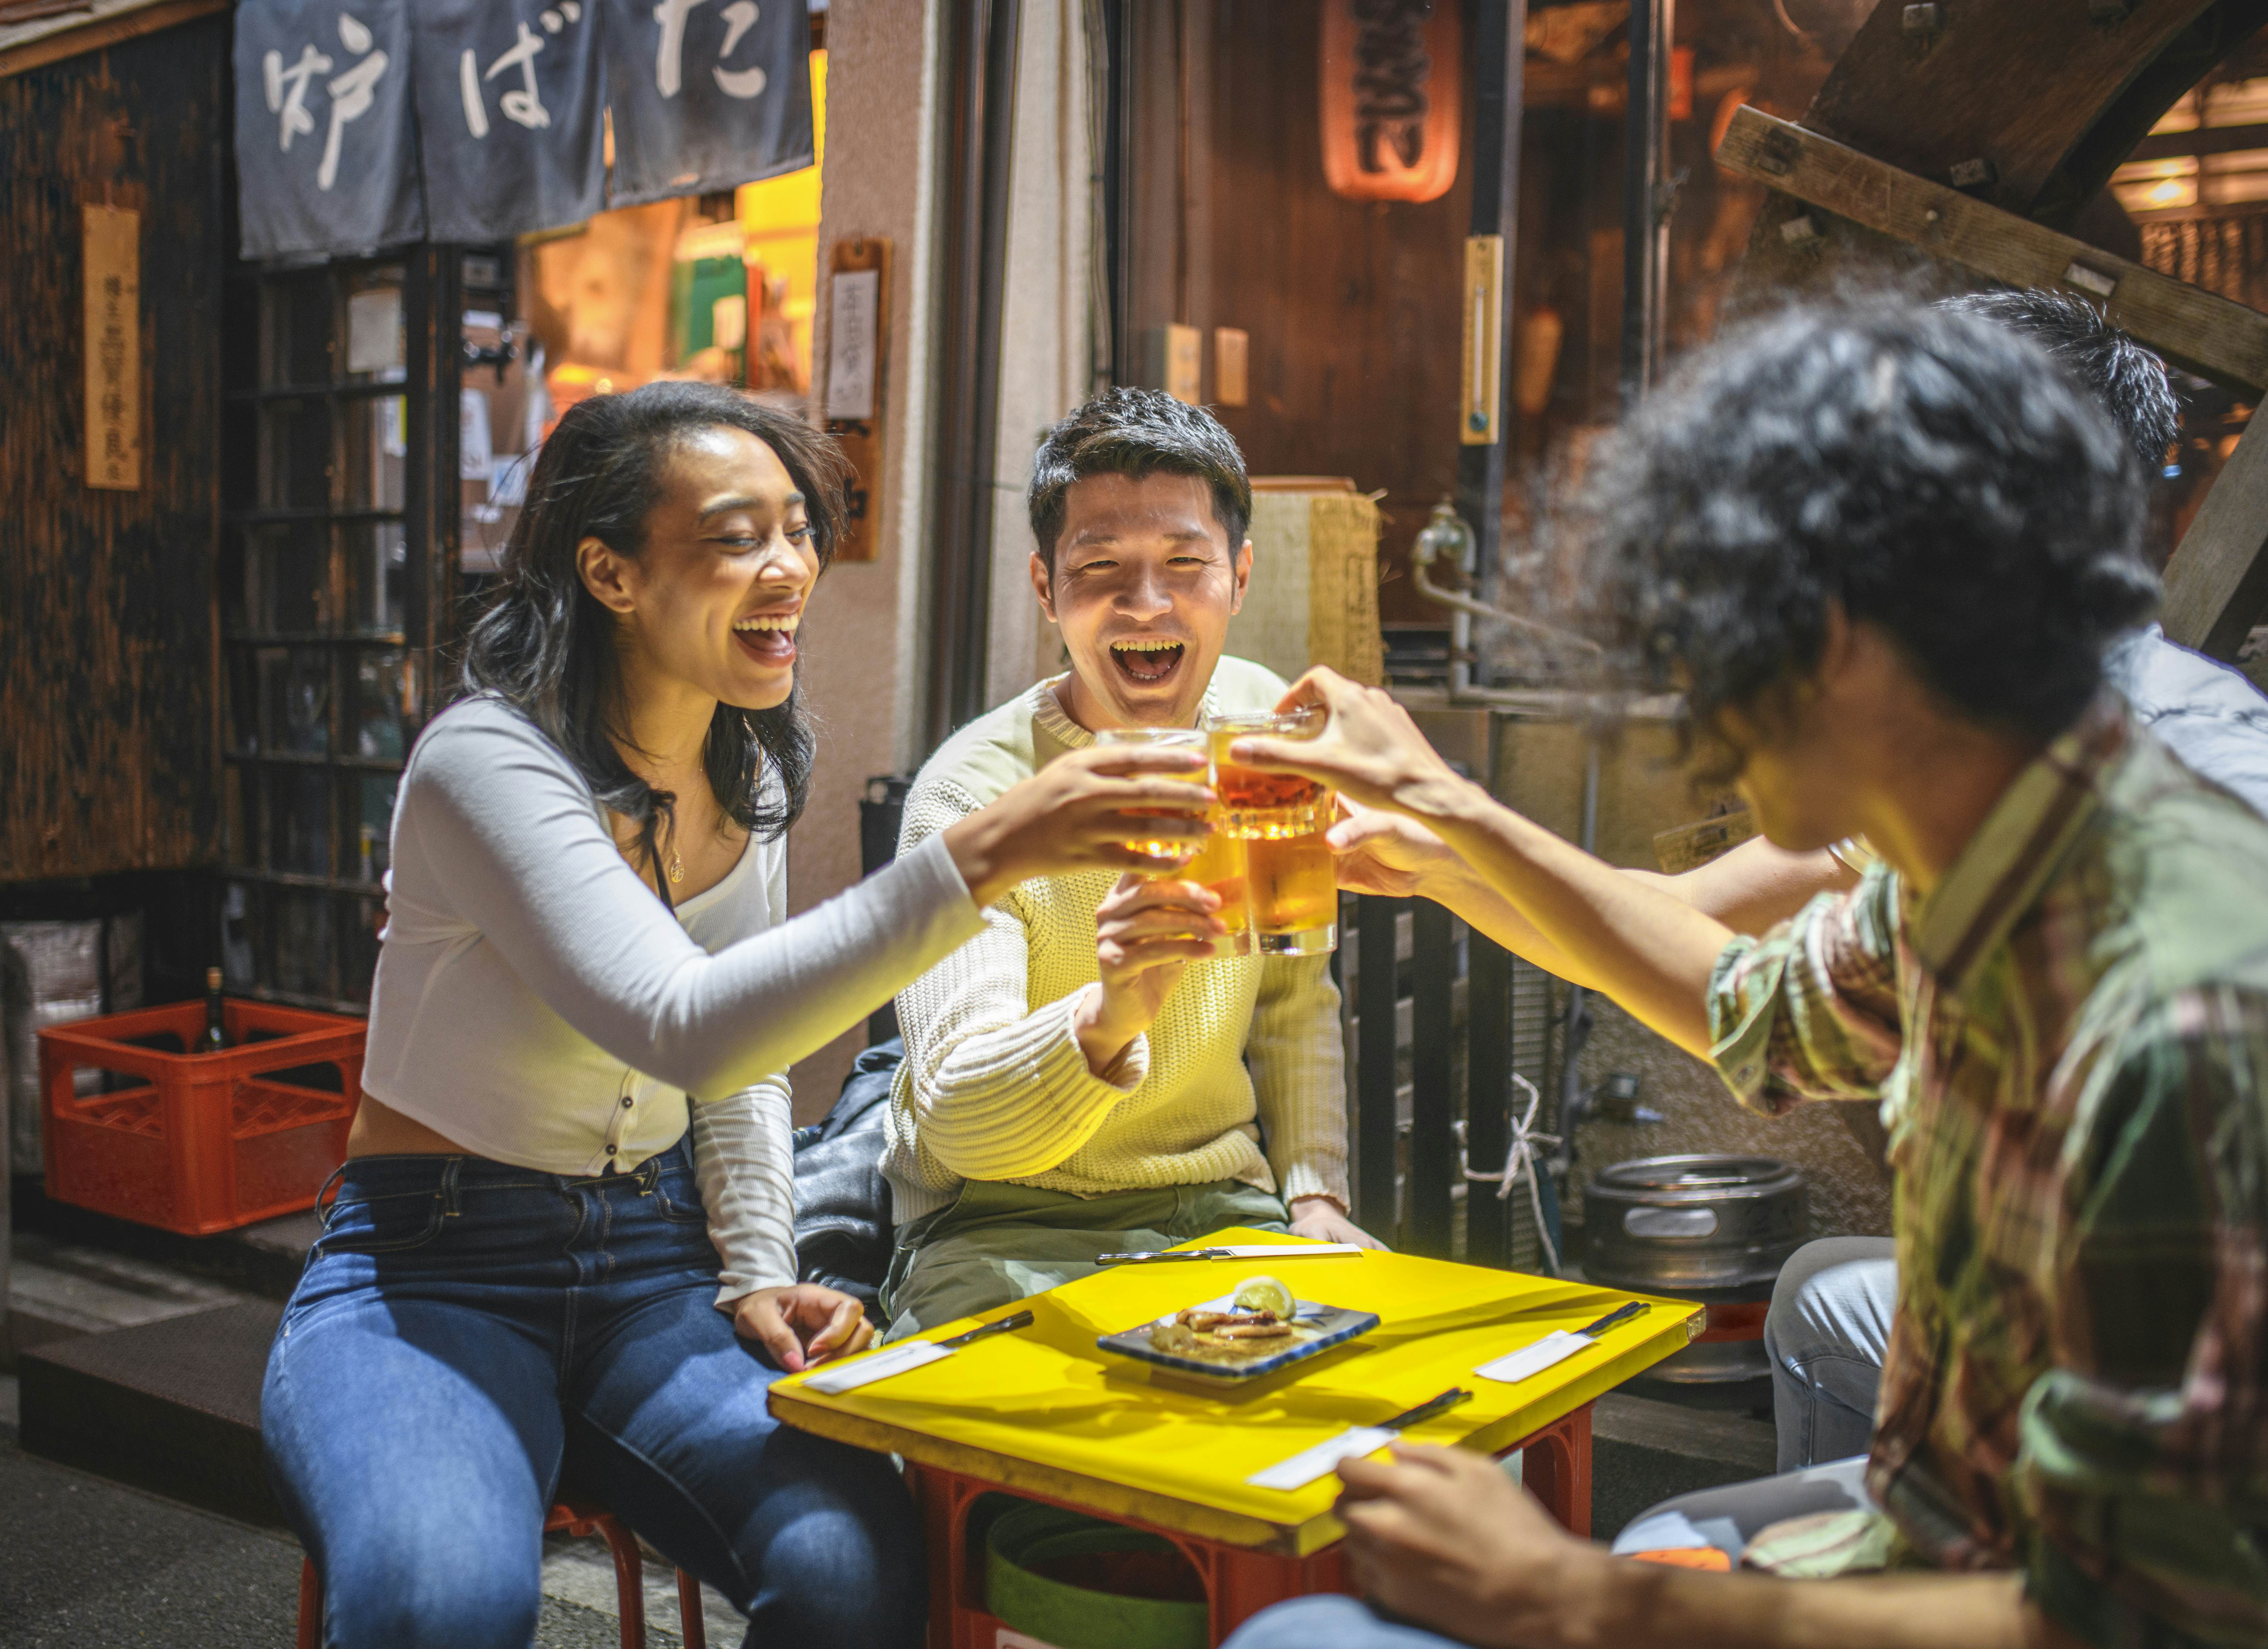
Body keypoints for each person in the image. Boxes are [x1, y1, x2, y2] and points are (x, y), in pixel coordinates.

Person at [1224, 305, 2268, 1648]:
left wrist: (1570, 1596)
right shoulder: (1990, 826)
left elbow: (2136, 1618)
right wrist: (1449, 836)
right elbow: (1748, 1008)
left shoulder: (2180, 1010)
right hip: (1941, 1518)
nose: (1695, 698)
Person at [259, 382, 1219, 1649]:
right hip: (430, 1267)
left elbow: (741, 1070)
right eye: (736, 537)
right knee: (441, 1605)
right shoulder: (483, 762)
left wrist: (760, 1267)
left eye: (799, 530)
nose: (790, 569)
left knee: (856, 1567)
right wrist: (986, 853)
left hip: (654, 1268)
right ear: (608, 572)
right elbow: (688, 1024)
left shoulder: (742, 771)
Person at [874, 388, 1373, 1339]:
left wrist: (1316, 1198)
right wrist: (1111, 1014)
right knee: (997, 1429)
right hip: (998, 1222)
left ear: (1239, 575)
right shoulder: (971, 795)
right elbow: (957, 1123)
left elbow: (1293, 999)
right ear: (1045, 587)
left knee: (1387, 1400)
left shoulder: (1262, 733)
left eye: (1186, 563)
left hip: (1223, 1211)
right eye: (1100, 567)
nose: (1147, 603)